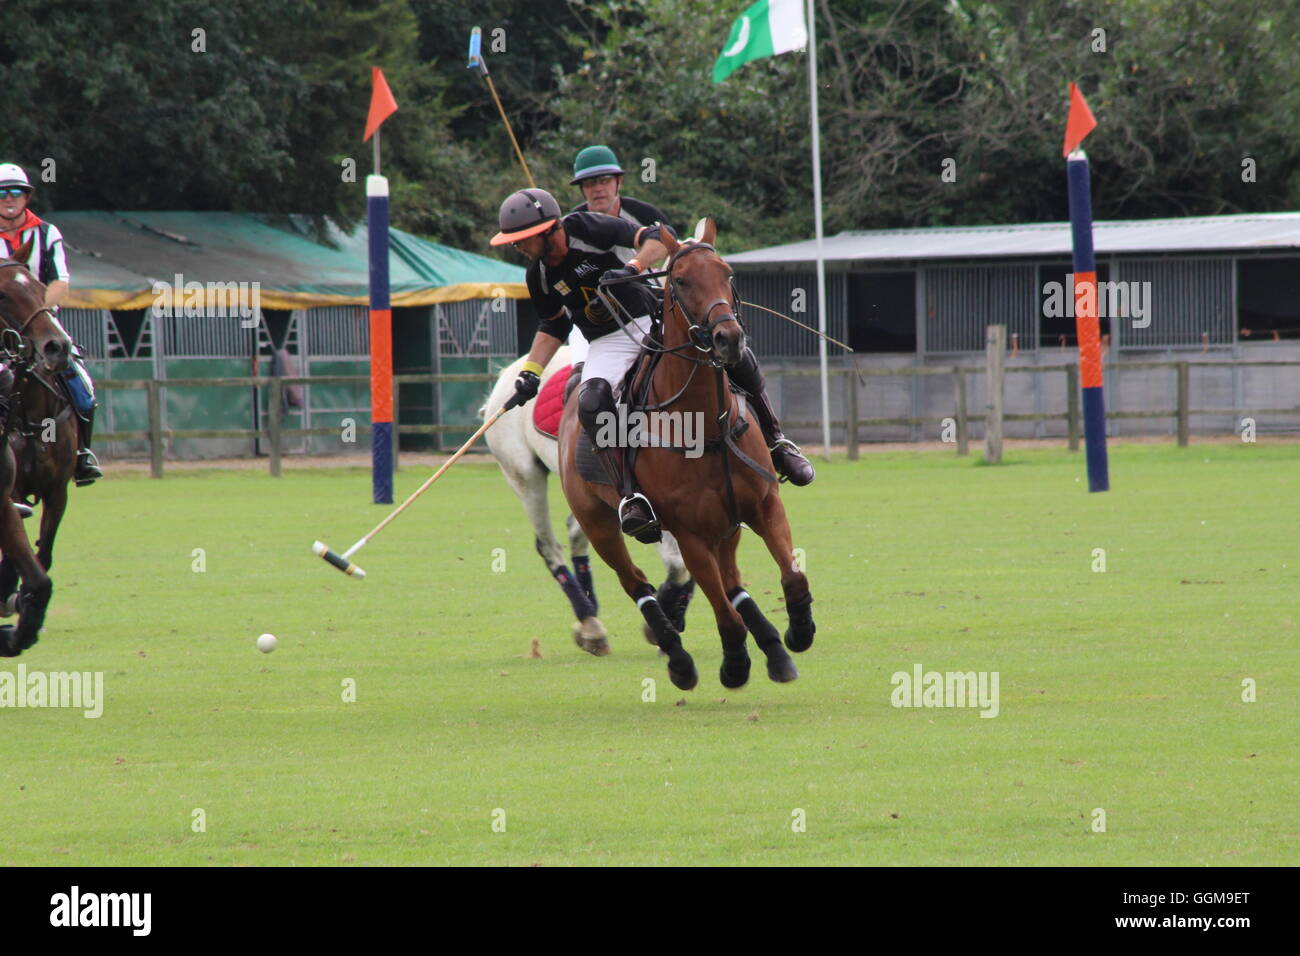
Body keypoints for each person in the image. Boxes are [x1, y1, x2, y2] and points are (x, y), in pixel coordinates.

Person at [491, 187, 672, 542]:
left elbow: (658, 240)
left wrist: (632, 268)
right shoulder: (538, 276)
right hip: (607, 341)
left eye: (523, 239)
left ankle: (774, 444)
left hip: (650, 321)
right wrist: (531, 372)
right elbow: (553, 324)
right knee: (590, 402)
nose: (518, 247)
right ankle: (630, 496)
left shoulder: (589, 227)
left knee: (720, 359)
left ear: (548, 230)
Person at [0, 162, 102, 485]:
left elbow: (60, 283)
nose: (9, 198)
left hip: (41, 328)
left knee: (82, 385)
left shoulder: (46, 233)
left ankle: (82, 454)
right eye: (2, 193)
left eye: (16, 192)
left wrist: (36, 315)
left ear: (27, 196)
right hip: (1, 330)